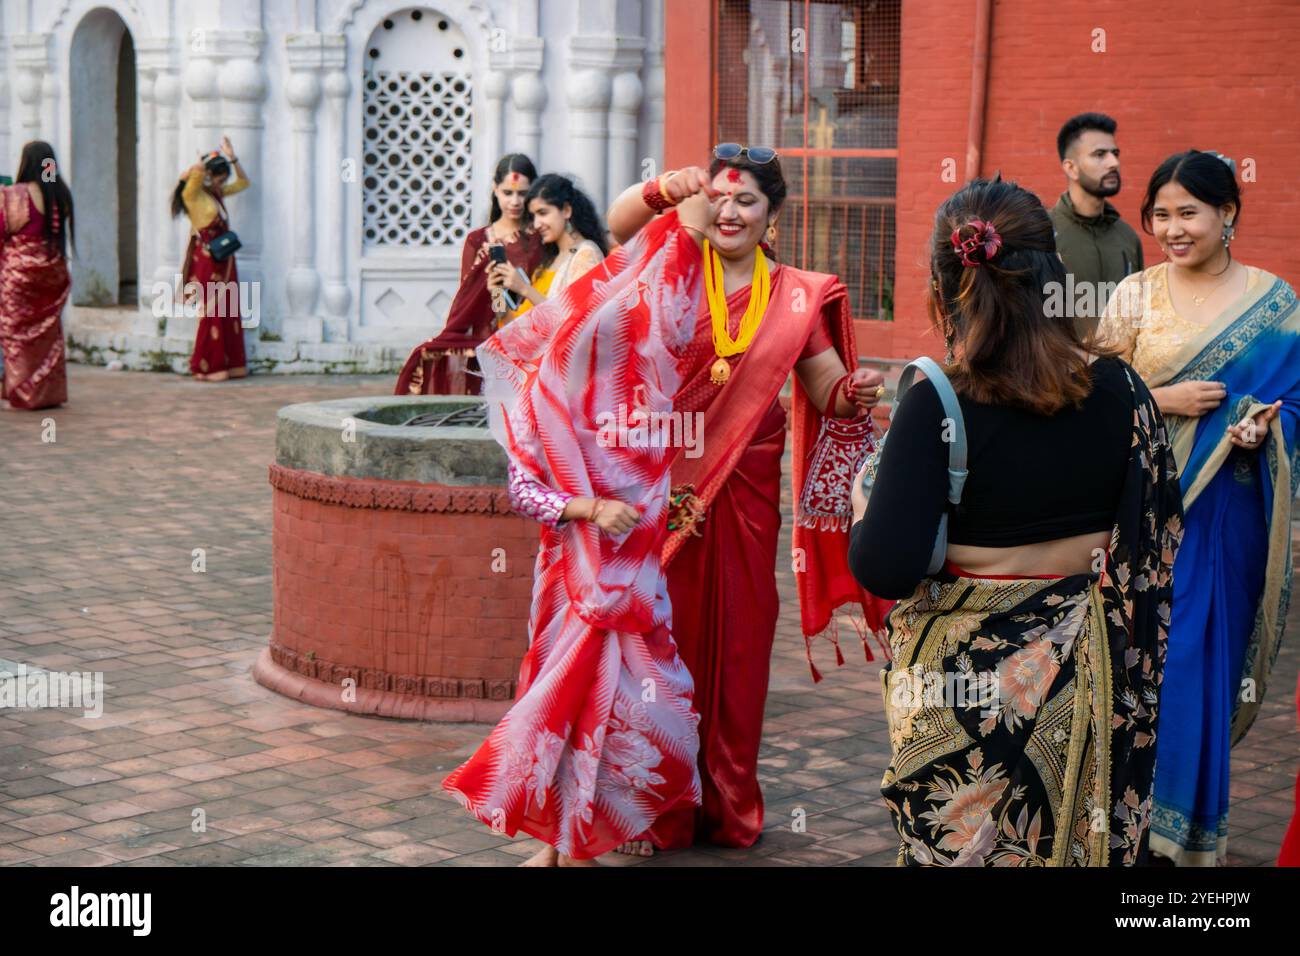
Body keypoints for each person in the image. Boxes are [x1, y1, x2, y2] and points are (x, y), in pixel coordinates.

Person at [441, 146, 889, 864]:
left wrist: (853, 393)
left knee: (738, 648)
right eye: (719, 197)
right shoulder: (671, 264)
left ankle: (728, 803)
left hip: (743, 493)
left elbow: (826, 388)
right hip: (655, 488)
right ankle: (648, 808)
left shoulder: (799, 295)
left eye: (747, 201)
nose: (730, 211)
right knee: (653, 650)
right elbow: (618, 223)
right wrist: (660, 187)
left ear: (774, 212)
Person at [851, 176, 1184, 866]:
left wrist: (864, 505)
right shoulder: (1123, 391)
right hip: (1090, 684)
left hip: (965, 699)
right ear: (1053, 274)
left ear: (943, 287)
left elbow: (886, 567)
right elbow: (1161, 531)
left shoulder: (936, 402)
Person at [1096, 149, 1300, 866]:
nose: (1172, 229)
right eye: (1161, 215)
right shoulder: (1135, 297)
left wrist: (1264, 426)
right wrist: (1161, 399)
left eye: (1188, 213)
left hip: (1228, 518)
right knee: (1133, 666)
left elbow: (1295, 404)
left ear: (1228, 214)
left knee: (1195, 666)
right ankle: (1122, 822)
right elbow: (1092, 402)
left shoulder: (1276, 304)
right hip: (1141, 519)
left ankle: (1178, 845)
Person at [394, 154, 543, 395]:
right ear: (495, 189)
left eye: (522, 193)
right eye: (507, 193)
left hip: (533, 334)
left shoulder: (540, 238)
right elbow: (470, 305)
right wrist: (496, 292)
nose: (514, 201)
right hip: (489, 335)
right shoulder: (479, 240)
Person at [1048, 113, 1144, 336]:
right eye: (1100, 155)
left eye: (1115, 153)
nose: (1114, 163)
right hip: (1057, 369)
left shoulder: (1127, 238)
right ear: (1070, 168)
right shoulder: (1043, 234)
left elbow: (1139, 318)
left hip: (1118, 367)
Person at [0, 141, 74, 410]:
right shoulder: (60, 194)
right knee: (47, 335)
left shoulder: (13, 195)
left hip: (19, 274)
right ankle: (45, 392)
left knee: (15, 333)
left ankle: (22, 392)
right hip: (52, 273)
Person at [172, 137, 250, 382]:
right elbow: (191, 184)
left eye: (223, 179)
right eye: (219, 178)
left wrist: (232, 157)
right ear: (208, 175)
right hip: (207, 260)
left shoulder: (216, 194)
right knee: (211, 311)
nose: (222, 183)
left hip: (225, 259)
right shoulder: (193, 196)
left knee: (228, 310)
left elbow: (244, 183)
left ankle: (231, 364)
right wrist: (201, 166)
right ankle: (207, 366)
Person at [489, 173, 608, 319]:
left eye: (542, 213)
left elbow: (576, 324)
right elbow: (515, 329)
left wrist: (524, 289)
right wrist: (497, 294)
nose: (537, 224)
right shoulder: (547, 262)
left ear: (566, 210)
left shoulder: (585, 255)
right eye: (533, 216)